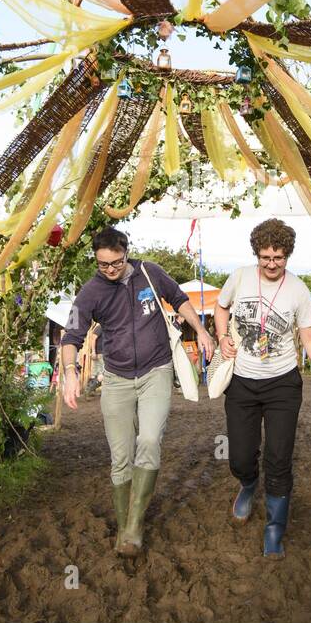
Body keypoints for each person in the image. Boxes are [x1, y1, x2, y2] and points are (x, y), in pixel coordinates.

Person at [60, 227, 214, 557]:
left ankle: (134, 527)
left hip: (155, 371)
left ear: (126, 253)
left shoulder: (150, 272)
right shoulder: (91, 292)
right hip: (115, 379)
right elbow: (70, 337)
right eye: (103, 265)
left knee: (148, 440)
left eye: (116, 263)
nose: (111, 270)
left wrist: (201, 330)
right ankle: (124, 526)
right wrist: (70, 373)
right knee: (120, 458)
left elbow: (179, 299)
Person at [214, 219, 311, 559]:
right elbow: (221, 308)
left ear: (288, 256)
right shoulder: (239, 277)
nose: (271, 264)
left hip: (283, 385)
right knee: (241, 456)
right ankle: (246, 483)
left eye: (278, 258)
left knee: (279, 457)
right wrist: (223, 336)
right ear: (256, 253)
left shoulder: (299, 291)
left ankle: (274, 528)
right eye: (265, 257)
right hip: (242, 382)